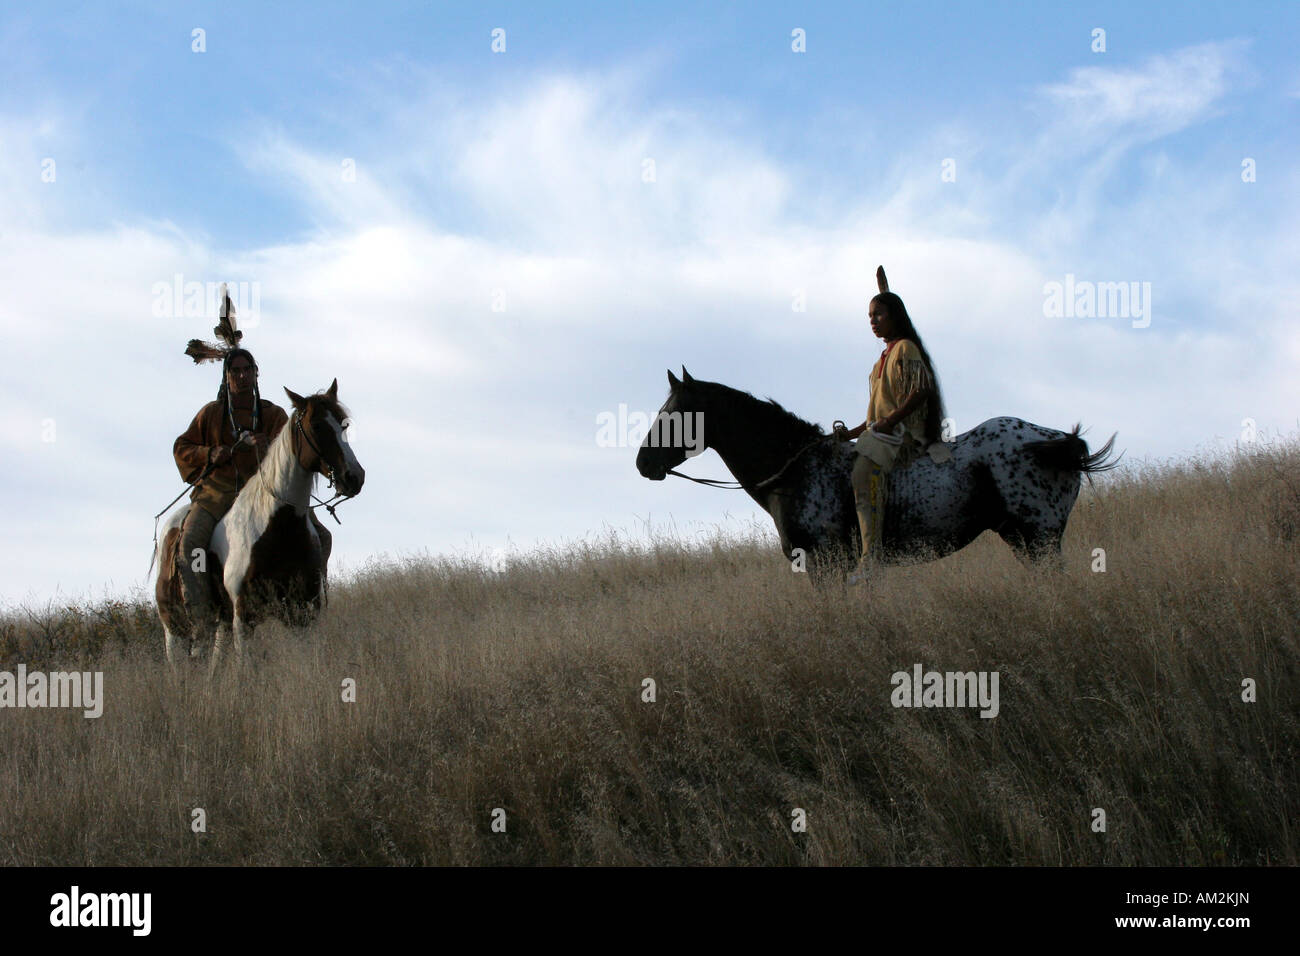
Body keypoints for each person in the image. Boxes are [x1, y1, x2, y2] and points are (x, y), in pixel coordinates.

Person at [834, 278, 947, 578]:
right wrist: (852, 433)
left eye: (879, 314)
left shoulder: (906, 349)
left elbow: (920, 390)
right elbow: (874, 417)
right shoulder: (878, 363)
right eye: (870, 316)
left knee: (862, 471)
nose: (873, 321)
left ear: (895, 316)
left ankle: (871, 556)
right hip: (883, 432)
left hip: (904, 436)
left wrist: (892, 420)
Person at [173, 348, 288, 629]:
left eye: (247, 370)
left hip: (262, 494)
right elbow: (182, 447)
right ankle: (202, 617)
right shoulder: (211, 414)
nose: (242, 376)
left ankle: (308, 602)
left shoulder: (274, 415)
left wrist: (269, 448)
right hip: (216, 493)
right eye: (235, 371)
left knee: (319, 535)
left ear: (256, 374)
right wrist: (210, 454)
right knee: (191, 545)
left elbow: (291, 455)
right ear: (226, 377)